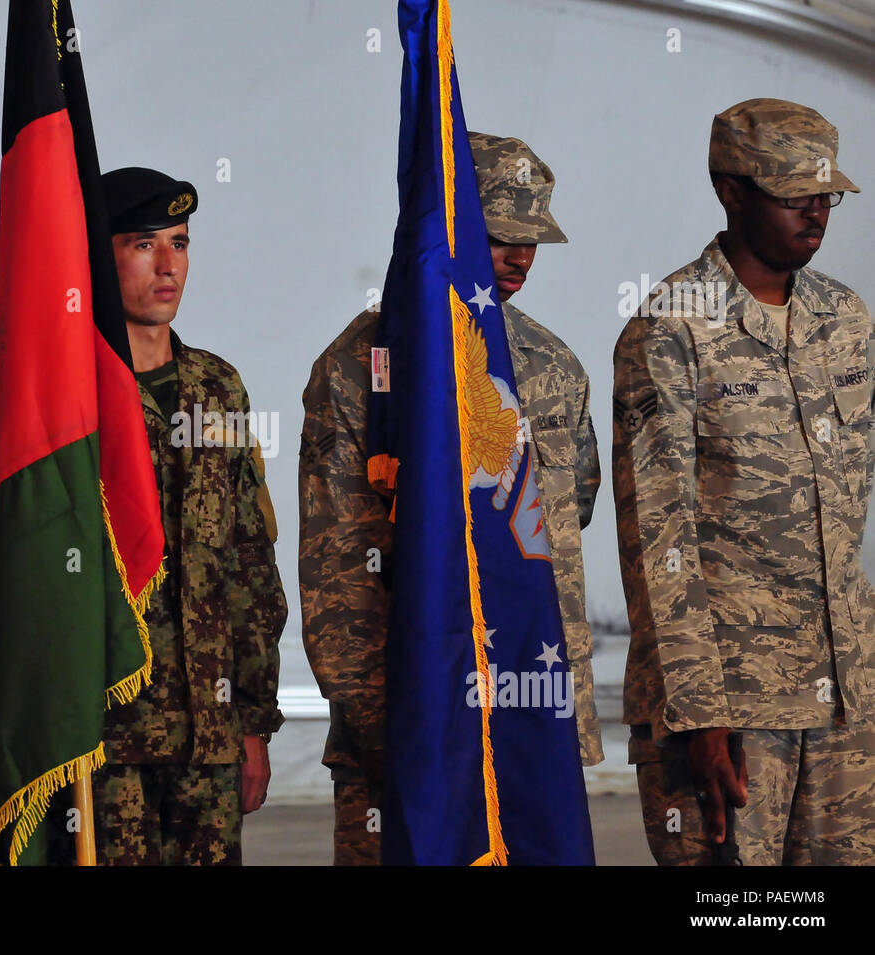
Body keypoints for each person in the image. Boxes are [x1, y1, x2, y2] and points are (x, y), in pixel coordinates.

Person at [0, 166, 286, 865]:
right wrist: (51, 704)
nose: (169, 265)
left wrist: (253, 719)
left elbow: (249, 566)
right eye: (142, 244)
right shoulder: (56, 407)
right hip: (98, 749)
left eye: (181, 243)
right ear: (98, 257)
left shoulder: (218, 389)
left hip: (209, 744)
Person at [298, 132, 603, 865]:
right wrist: (386, 718)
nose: (521, 256)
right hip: (410, 715)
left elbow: (572, 509)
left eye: (533, 238)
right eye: (501, 235)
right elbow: (334, 559)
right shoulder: (363, 367)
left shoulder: (554, 365)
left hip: (533, 711)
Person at [614, 98, 874, 865]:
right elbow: (657, 538)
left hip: (843, 697)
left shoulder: (845, 319)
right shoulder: (671, 328)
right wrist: (696, 711)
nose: (816, 212)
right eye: (793, 193)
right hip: (730, 705)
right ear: (731, 190)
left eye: (825, 194)